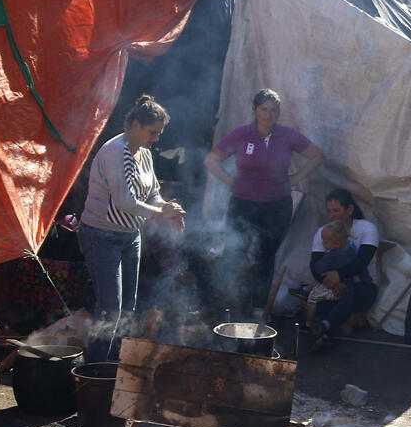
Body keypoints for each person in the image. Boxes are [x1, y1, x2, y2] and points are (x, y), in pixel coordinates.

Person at [207, 89, 326, 316]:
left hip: (276, 206)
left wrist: (295, 179)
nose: (269, 114)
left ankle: (259, 308)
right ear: (254, 110)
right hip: (242, 205)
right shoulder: (242, 135)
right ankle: (222, 304)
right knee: (234, 253)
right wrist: (231, 181)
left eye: (273, 110)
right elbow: (211, 160)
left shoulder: (288, 136)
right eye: (264, 109)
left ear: (279, 112)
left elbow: (318, 156)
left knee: (265, 256)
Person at [79, 95, 186, 341]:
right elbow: (124, 201)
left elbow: (153, 194)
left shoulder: (145, 153)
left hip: (130, 236)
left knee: (128, 308)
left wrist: (168, 208)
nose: (156, 139)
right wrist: (161, 213)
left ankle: (117, 364)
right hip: (101, 236)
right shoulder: (115, 152)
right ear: (135, 125)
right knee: (110, 310)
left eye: (159, 133)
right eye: (152, 132)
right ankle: (96, 369)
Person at [308, 189, 379, 348]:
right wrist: (329, 282)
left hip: (362, 285)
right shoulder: (324, 232)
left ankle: (324, 327)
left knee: (350, 294)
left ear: (350, 210)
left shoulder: (367, 228)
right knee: (323, 300)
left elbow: (362, 262)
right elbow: (315, 266)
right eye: (328, 211)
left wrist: (339, 275)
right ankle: (322, 334)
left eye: (336, 210)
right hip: (331, 284)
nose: (332, 215)